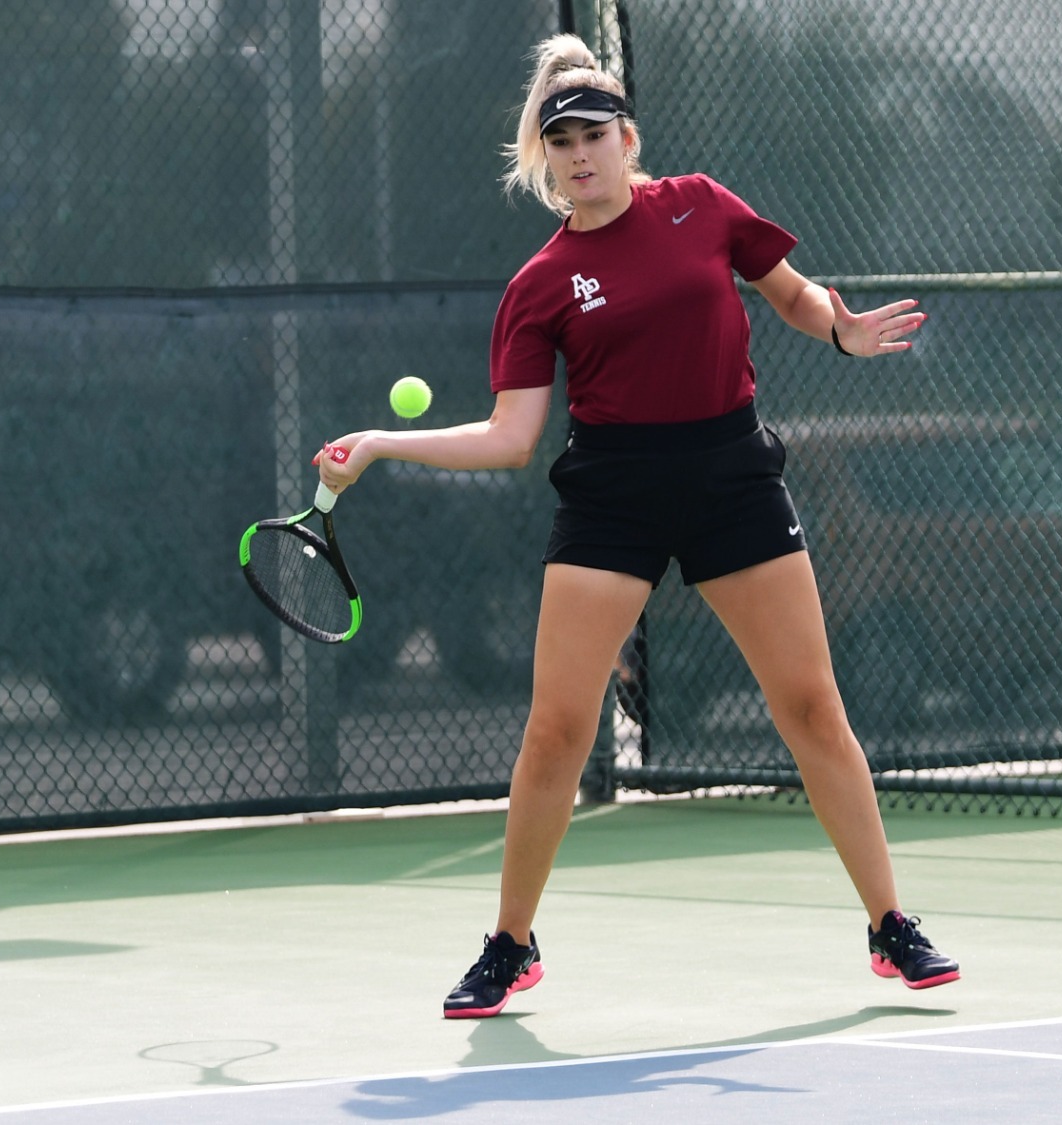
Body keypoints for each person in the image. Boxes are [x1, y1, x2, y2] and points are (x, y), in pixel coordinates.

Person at [315, 34, 958, 1019]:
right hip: (612, 495)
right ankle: (509, 943)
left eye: (594, 136)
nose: (579, 154)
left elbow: (789, 296)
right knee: (556, 729)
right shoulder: (539, 284)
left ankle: (888, 925)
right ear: (545, 158)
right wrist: (382, 445)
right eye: (559, 139)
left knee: (810, 709)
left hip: (732, 480)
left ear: (628, 140)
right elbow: (509, 436)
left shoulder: (701, 206)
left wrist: (843, 328)